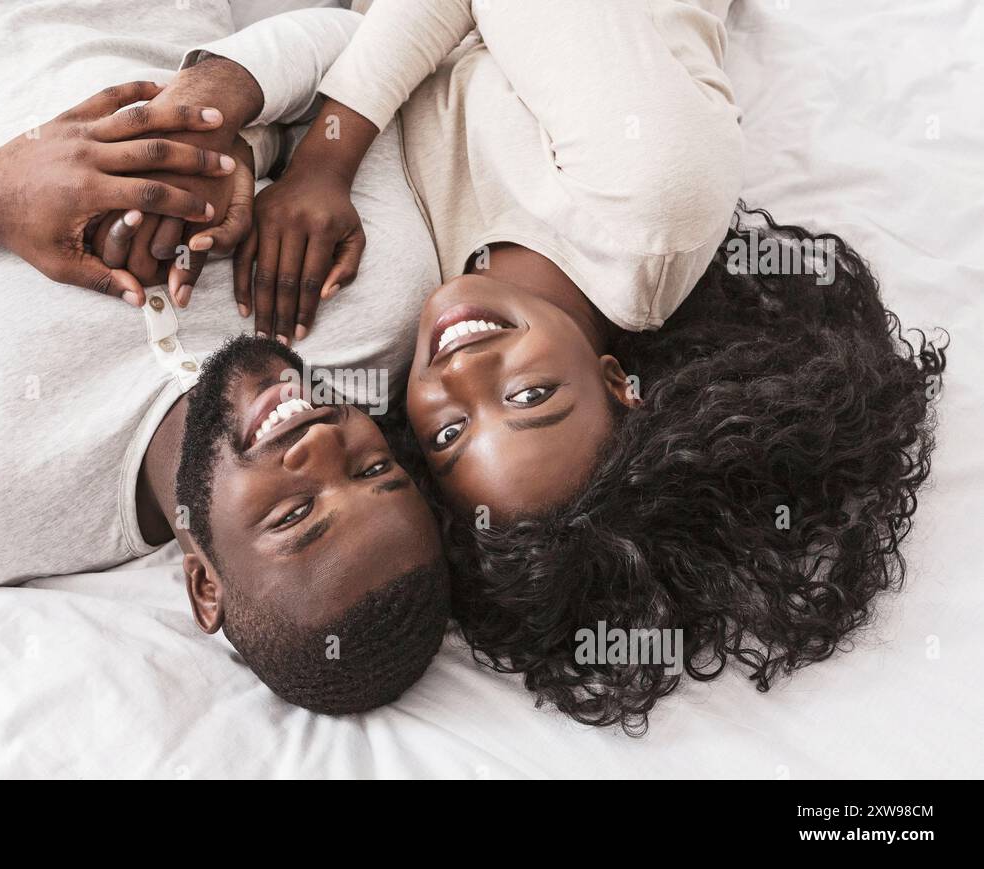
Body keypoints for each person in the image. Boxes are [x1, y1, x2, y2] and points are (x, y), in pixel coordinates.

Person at [0, 1, 452, 714]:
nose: (325, 443)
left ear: (205, 586)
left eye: (295, 515)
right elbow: (358, 48)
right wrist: (219, 119)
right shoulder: (373, 307)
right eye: (374, 469)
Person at [249, 0, 946, 730]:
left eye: (450, 434)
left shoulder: (410, 301)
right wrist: (325, 161)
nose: (460, 371)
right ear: (621, 382)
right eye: (529, 393)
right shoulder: (649, 200)